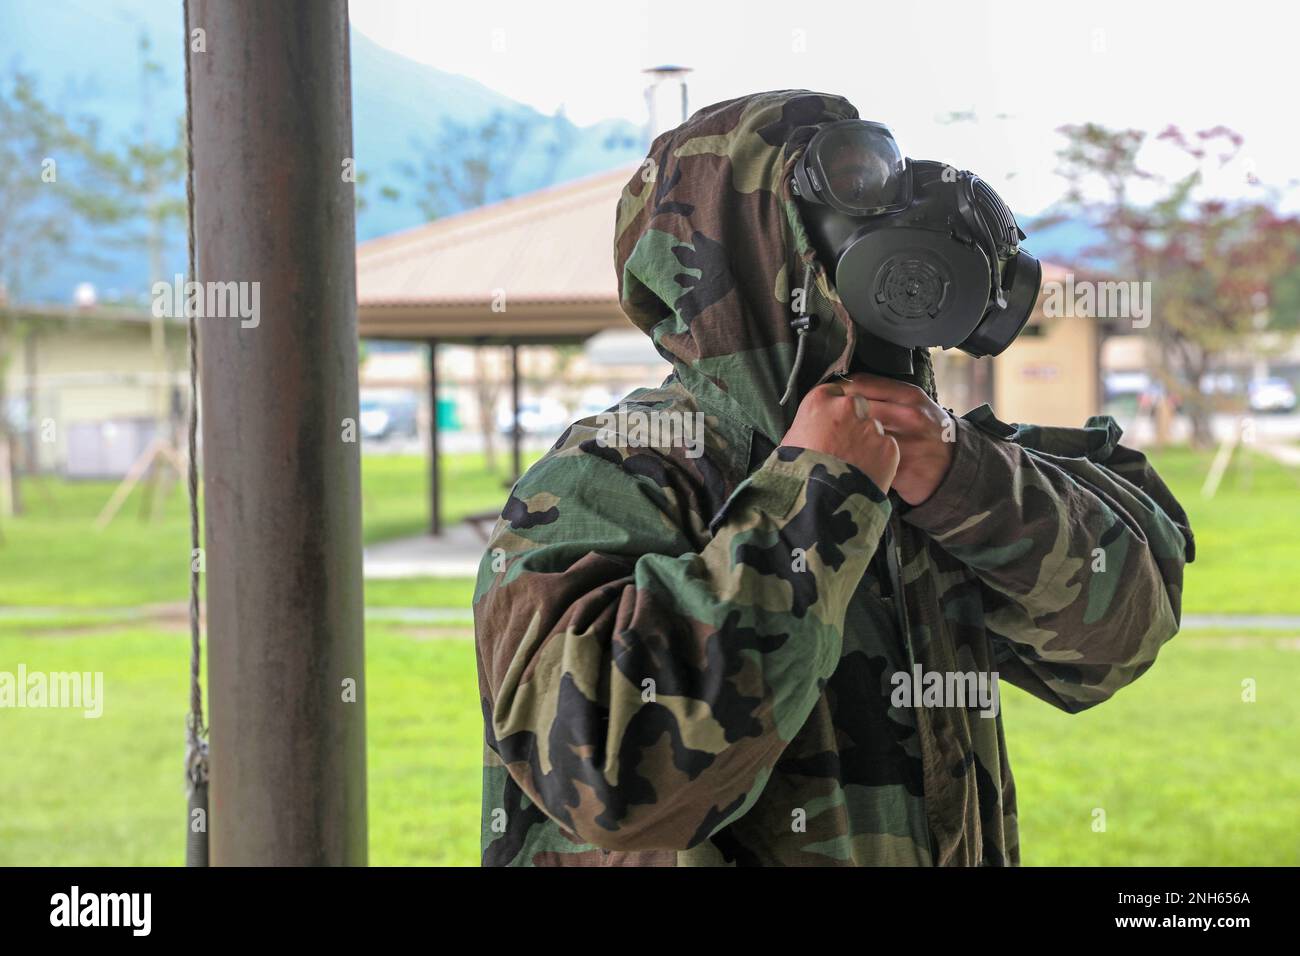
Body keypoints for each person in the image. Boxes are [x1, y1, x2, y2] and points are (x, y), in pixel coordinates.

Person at [472, 90, 1194, 866]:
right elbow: (613, 779)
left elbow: (1115, 641)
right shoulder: (610, 477)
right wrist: (817, 494)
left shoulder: (931, 462)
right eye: (851, 188)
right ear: (747, 244)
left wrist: (963, 480)